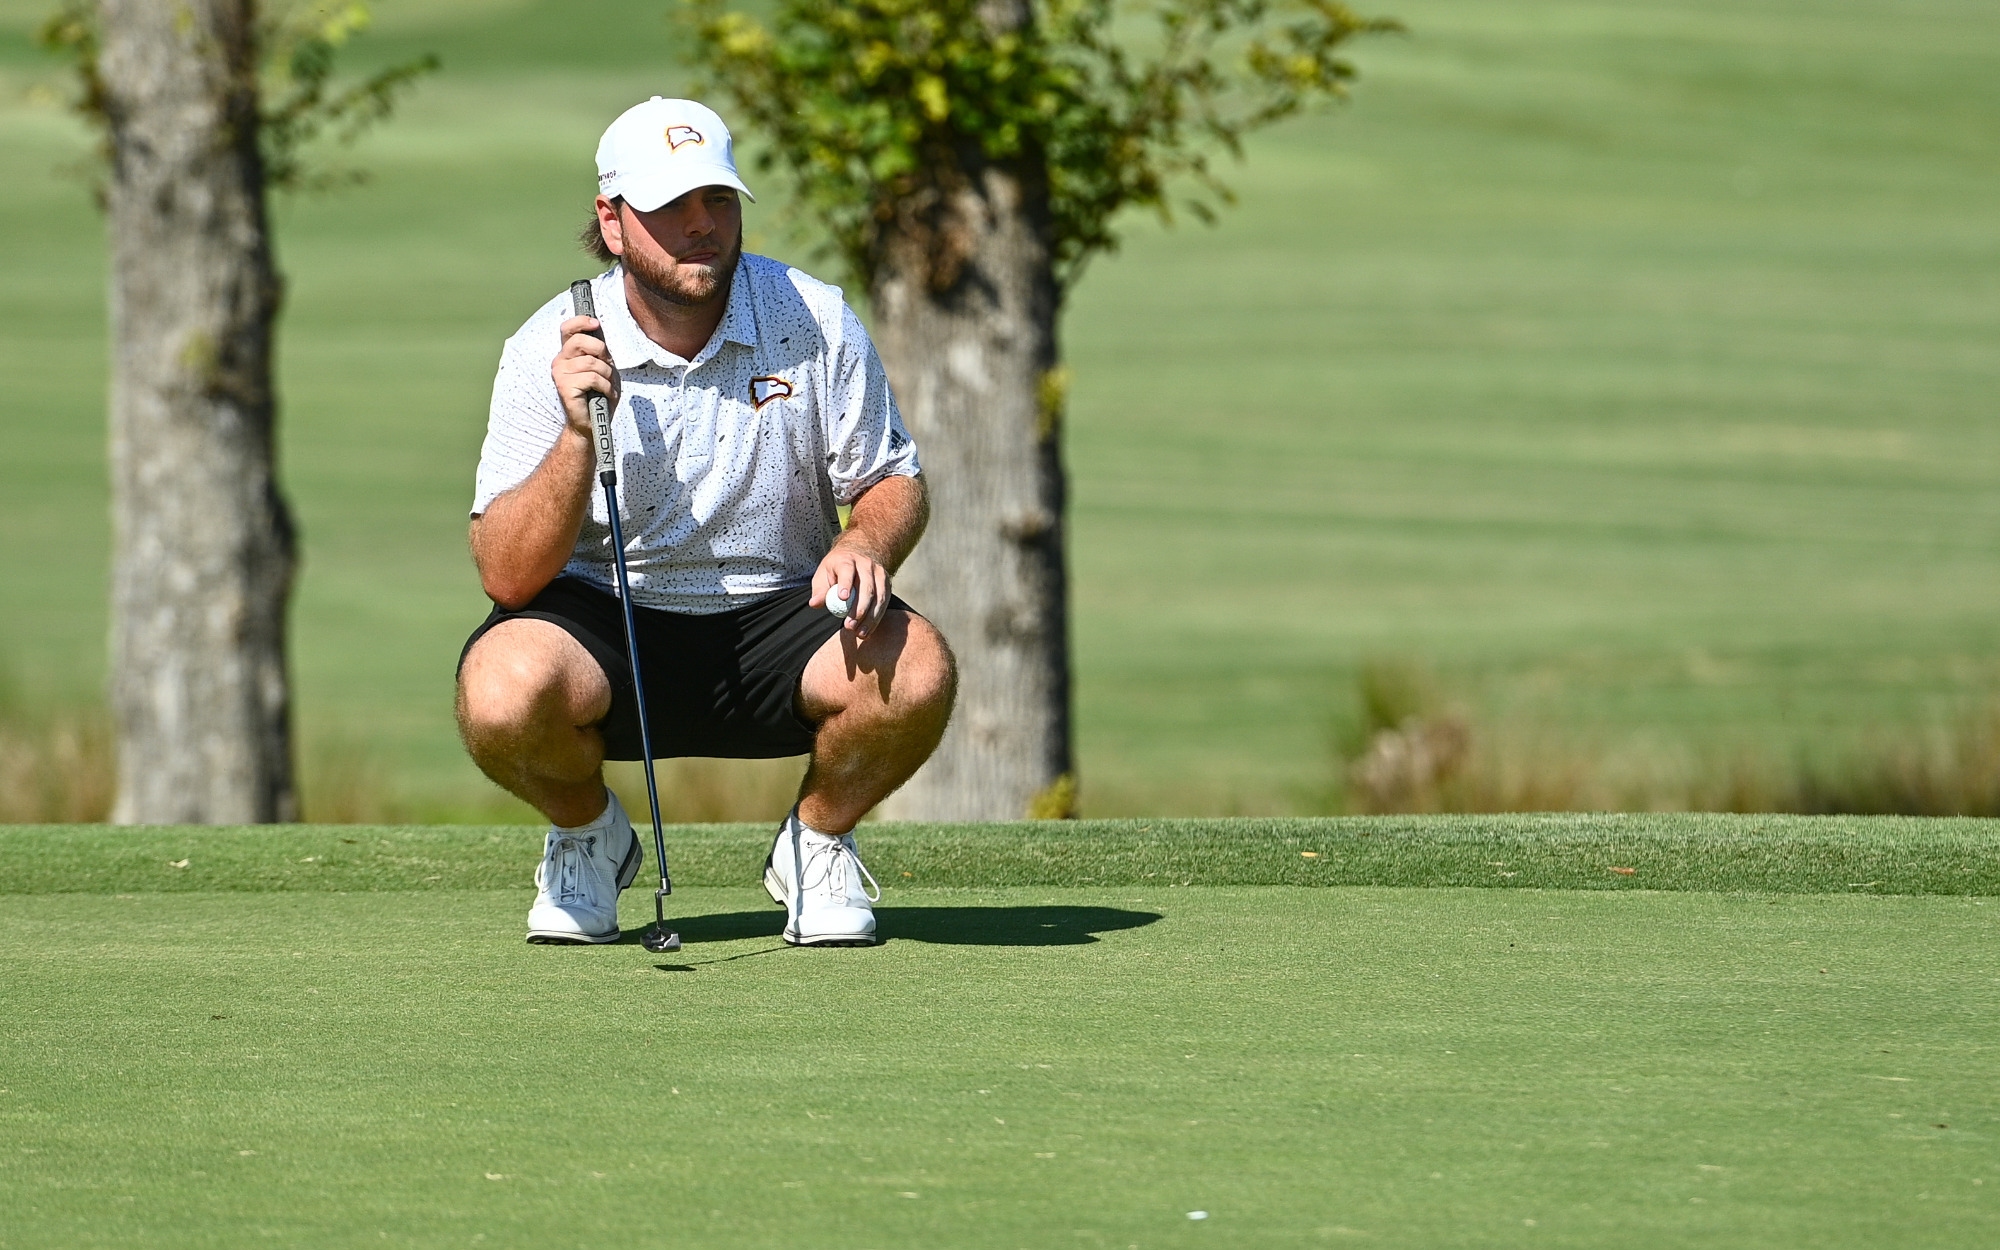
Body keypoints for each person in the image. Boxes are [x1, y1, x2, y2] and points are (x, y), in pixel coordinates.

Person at [455, 98, 956, 948]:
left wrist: (865, 540)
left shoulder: (812, 316)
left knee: (917, 671)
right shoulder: (552, 341)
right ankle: (588, 837)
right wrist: (579, 436)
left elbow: (893, 480)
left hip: (781, 614)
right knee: (499, 692)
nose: (701, 227)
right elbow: (506, 575)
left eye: (717, 201)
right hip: (603, 621)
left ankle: (818, 843)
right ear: (612, 223)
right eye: (669, 208)